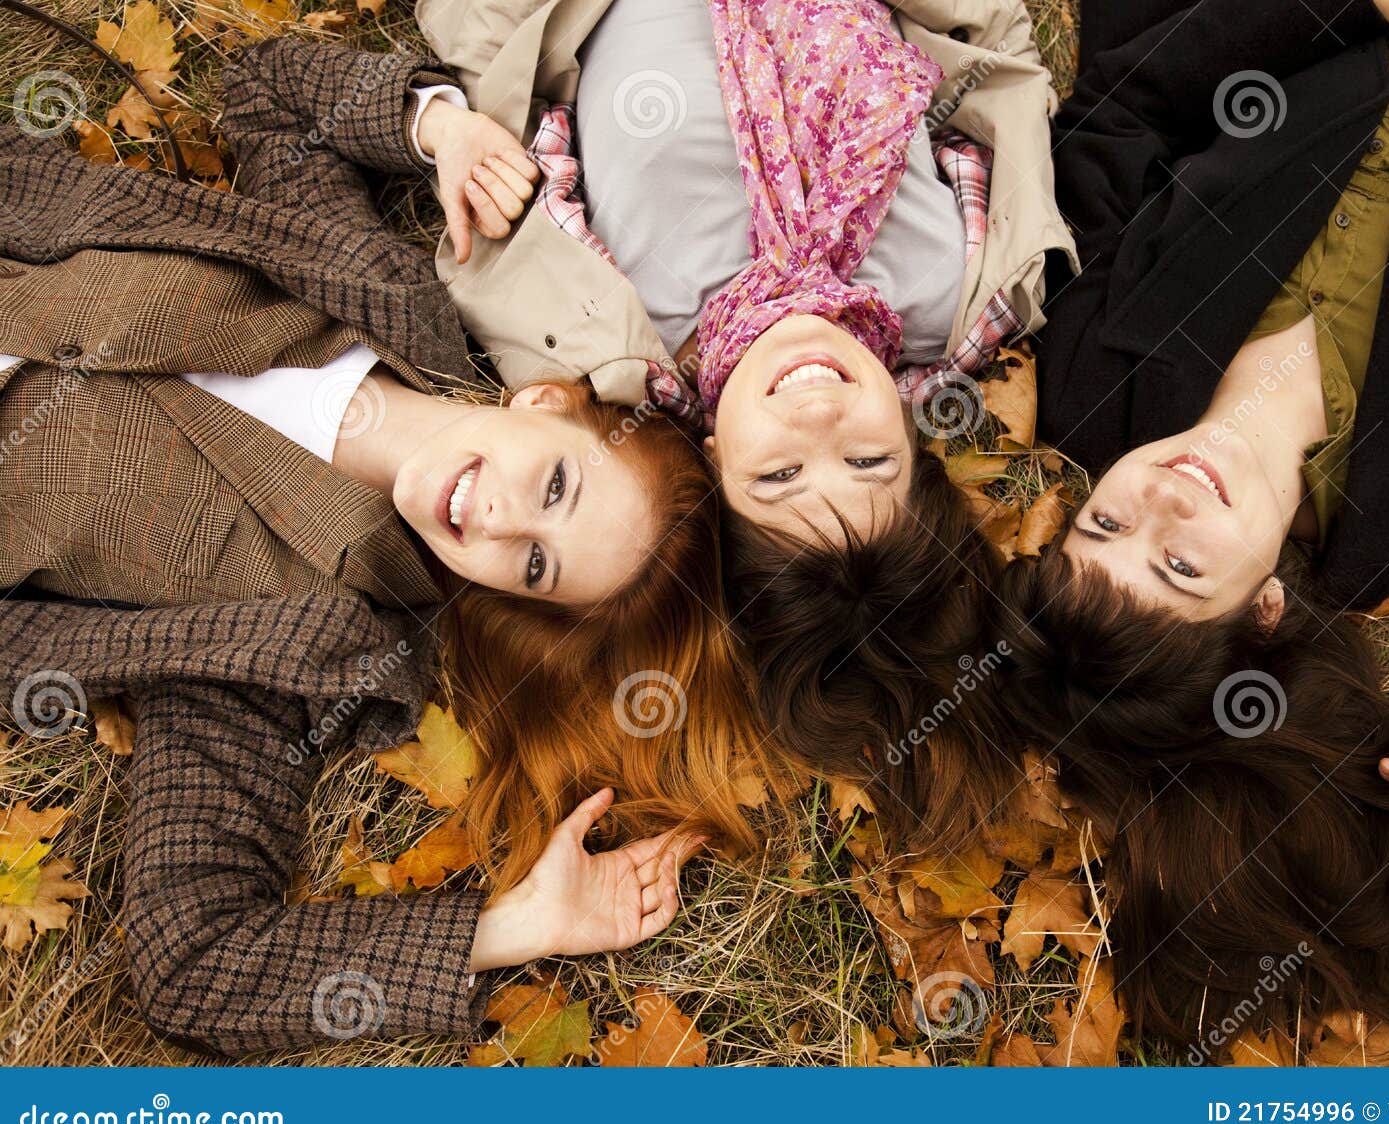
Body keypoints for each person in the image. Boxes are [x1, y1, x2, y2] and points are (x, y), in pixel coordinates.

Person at [0, 35, 767, 1051]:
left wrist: (515, 925)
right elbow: (266, 87)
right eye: (551, 481)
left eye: (534, 561)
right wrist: (436, 127)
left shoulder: (309, 633)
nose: (495, 519)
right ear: (542, 401)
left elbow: (190, 963)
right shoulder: (375, 289)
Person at [999, 0, 1389, 1063]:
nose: (1163, 501)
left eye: (1106, 522)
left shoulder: (1093, 381)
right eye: (1179, 566)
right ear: (1264, 605)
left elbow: (1126, 102)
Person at [404, 0, 1077, 844]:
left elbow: (498, 98)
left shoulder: (604, 342)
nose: (816, 414)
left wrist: (448, 124)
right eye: (869, 460)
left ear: (714, 463)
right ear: (915, 441)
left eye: (780, 475)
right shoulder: (967, 293)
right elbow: (997, 61)